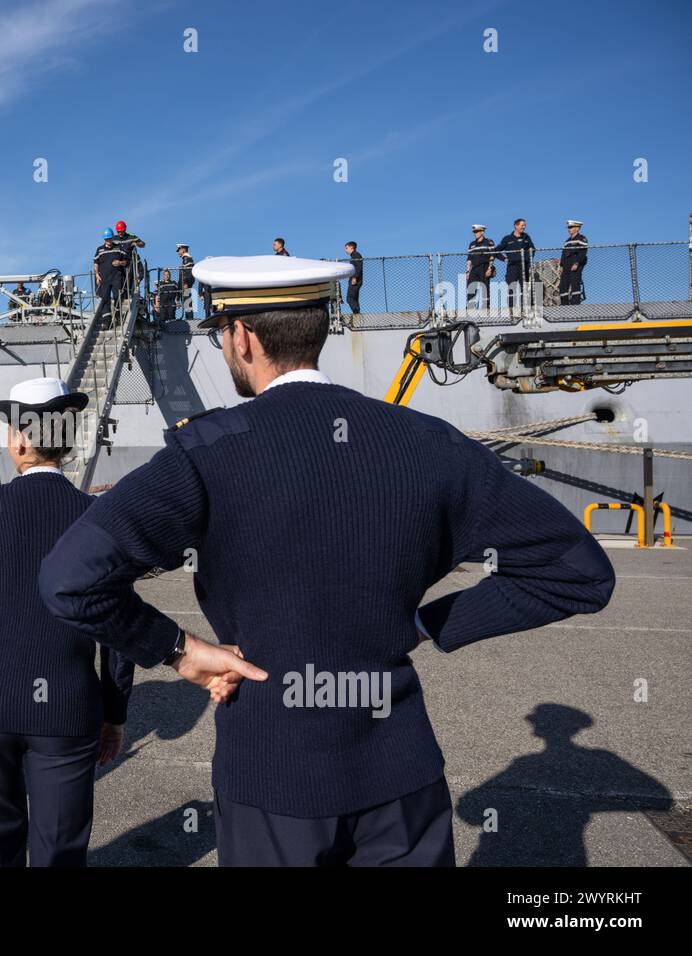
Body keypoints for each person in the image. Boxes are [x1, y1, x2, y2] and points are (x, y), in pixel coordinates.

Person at [39, 254, 615, 867]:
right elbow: (578, 570)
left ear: (242, 336)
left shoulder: (205, 454)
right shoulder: (430, 442)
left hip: (272, 776)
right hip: (401, 774)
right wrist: (428, 624)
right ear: (321, 326)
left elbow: (69, 580)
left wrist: (180, 651)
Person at [0, 377, 133, 866]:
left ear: (18, 440)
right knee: (59, 846)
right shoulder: (99, 518)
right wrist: (114, 714)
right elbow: (120, 632)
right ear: (68, 440)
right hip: (66, 708)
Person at [496, 219, 535, 311]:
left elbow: (533, 249)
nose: (524, 227)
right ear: (516, 226)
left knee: (525, 288)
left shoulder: (526, 237)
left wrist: (529, 255)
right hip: (512, 267)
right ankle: (511, 309)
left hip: (524, 266)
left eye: (525, 225)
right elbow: (496, 250)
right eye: (522, 225)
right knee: (511, 288)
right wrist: (504, 259)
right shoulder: (507, 239)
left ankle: (525, 308)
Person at [92, 228, 127, 329]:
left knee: (117, 296)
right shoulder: (100, 249)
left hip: (117, 277)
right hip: (104, 279)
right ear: (104, 239)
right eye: (106, 239)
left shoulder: (119, 248)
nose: (108, 241)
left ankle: (117, 315)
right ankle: (106, 321)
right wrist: (97, 275)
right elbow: (96, 263)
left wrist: (119, 263)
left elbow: (126, 261)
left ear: (112, 238)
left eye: (110, 238)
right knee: (105, 299)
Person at [465, 225, 496, 310]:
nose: (475, 233)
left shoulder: (489, 242)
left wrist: (490, 268)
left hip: (485, 266)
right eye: (474, 232)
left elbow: (492, 255)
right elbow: (469, 259)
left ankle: (486, 306)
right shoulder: (472, 244)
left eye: (477, 231)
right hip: (474, 268)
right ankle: (470, 307)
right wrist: (468, 271)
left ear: (482, 232)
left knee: (485, 287)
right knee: (471, 286)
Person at [559, 219, 588, 305]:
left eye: (571, 227)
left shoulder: (582, 238)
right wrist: (561, 265)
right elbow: (563, 254)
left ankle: (575, 305)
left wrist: (577, 263)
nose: (569, 229)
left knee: (575, 284)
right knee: (563, 286)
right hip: (566, 264)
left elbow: (583, 252)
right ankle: (564, 305)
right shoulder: (567, 241)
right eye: (568, 227)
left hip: (575, 264)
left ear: (577, 228)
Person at [343, 241, 364, 315]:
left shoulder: (356, 255)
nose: (345, 250)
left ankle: (356, 313)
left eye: (346, 248)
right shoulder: (354, 256)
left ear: (351, 247)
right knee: (354, 298)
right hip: (356, 280)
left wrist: (354, 277)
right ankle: (357, 312)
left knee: (350, 298)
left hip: (355, 280)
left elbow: (358, 267)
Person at [177, 243, 195, 319]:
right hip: (184, 284)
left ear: (183, 250)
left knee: (187, 300)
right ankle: (188, 317)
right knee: (185, 301)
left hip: (185, 285)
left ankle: (189, 318)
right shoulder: (185, 259)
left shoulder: (187, 259)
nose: (178, 252)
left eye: (179, 250)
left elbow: (188, 273)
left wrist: (185, 282)